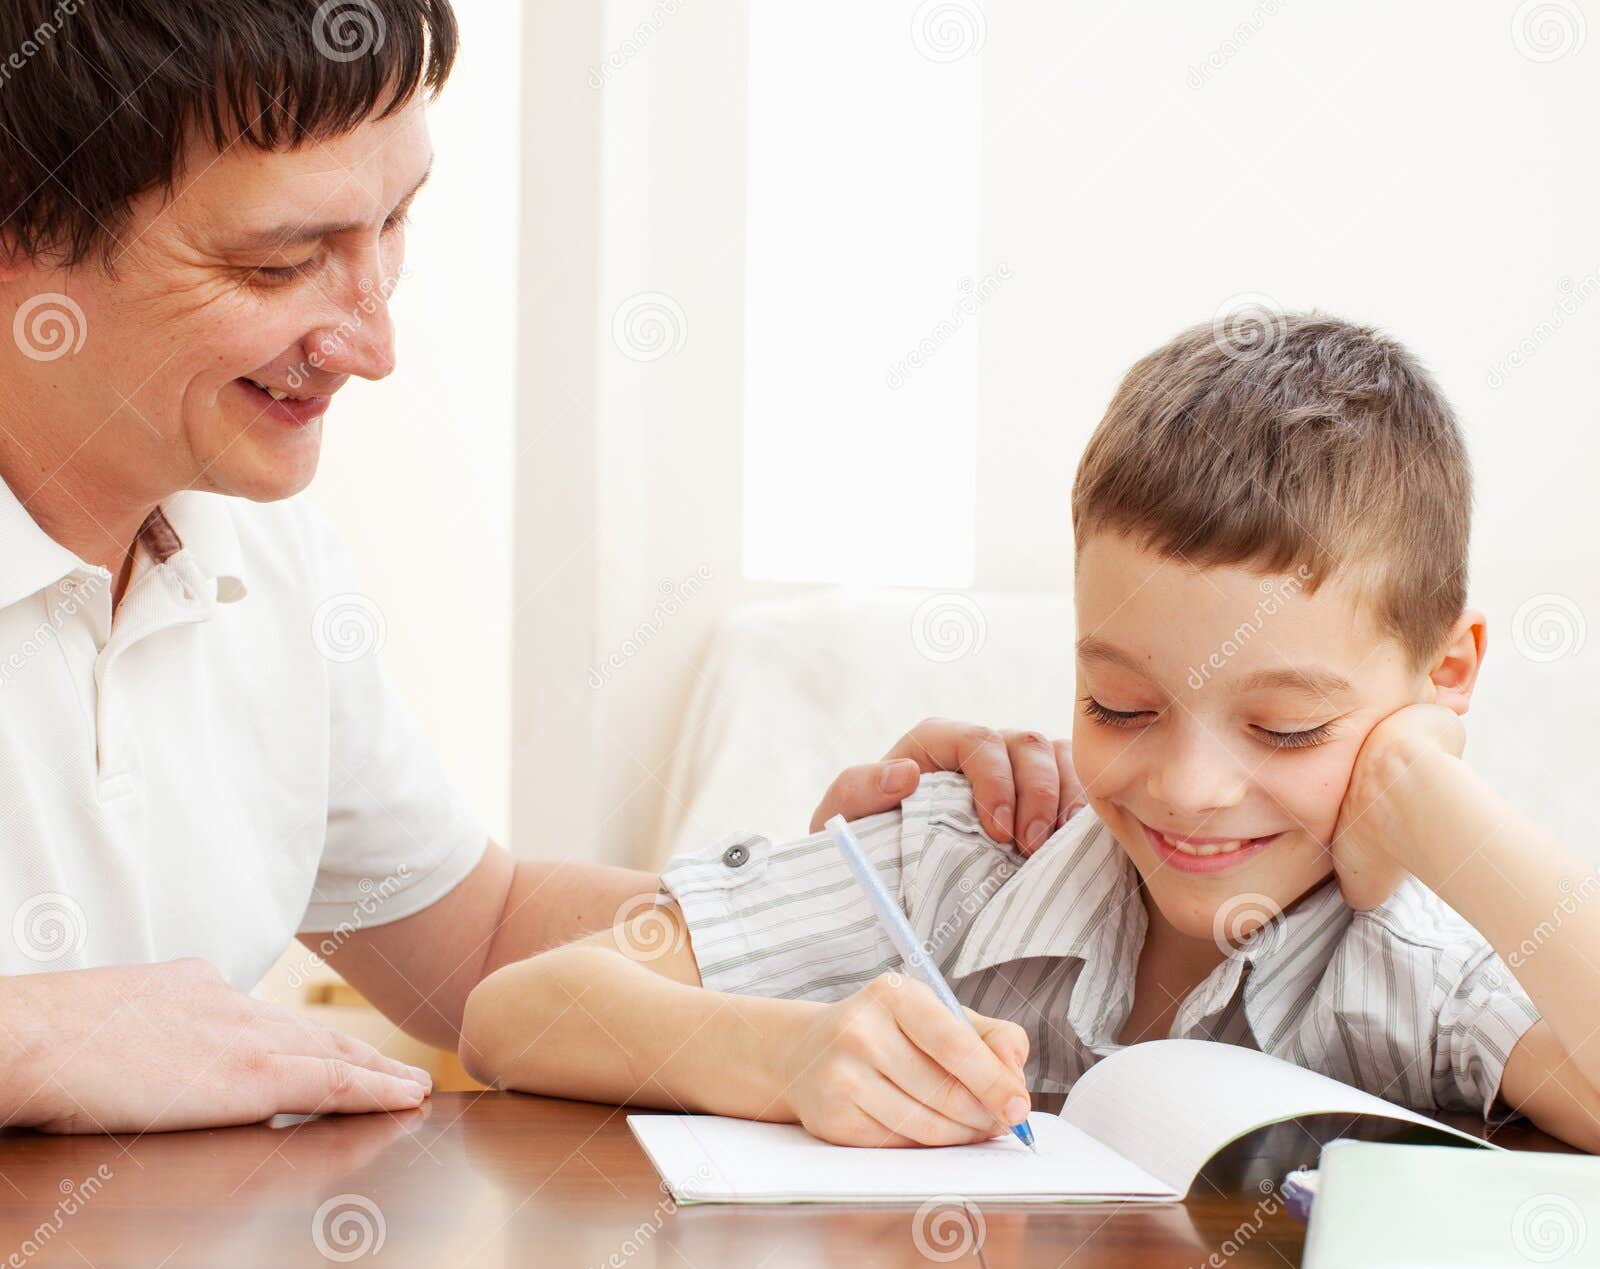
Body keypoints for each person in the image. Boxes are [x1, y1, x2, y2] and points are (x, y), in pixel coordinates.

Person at [0, 0, 1079, 1135]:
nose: (374, 345)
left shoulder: (260, 559)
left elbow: (478, 942)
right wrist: (33, 1038)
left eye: (394, 224)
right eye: (281, 264)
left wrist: (859, 895)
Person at [463, 312, 1600, 1156]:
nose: (1189, 787)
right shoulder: (966, 851)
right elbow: (512, 1014)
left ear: (1443, 674)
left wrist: (1428, 793)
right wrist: (787, 1056)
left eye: (1286, 728)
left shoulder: (1426, 961)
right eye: (1120, 706)